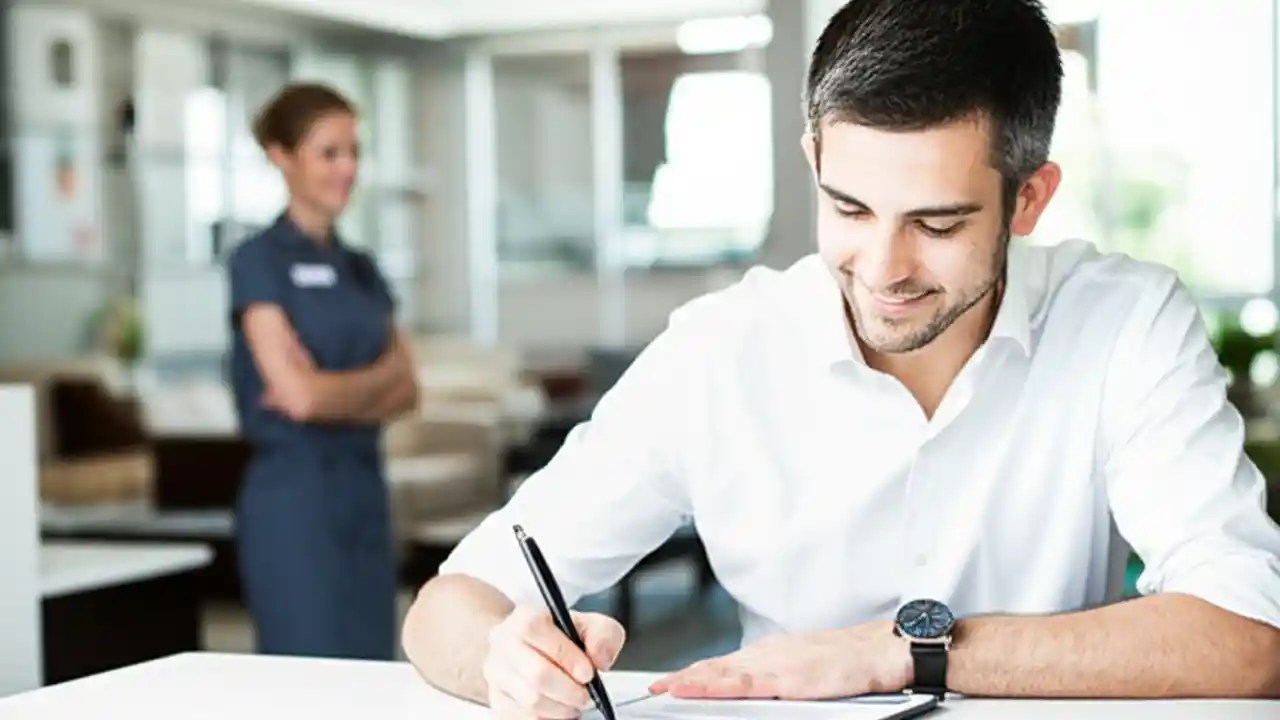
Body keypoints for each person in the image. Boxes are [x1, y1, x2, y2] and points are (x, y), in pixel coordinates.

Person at [403, 0, 1280, 714]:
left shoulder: (1126, 322)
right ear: (814, 159)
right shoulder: (721, 350)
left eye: (937, 224)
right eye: (850, 209)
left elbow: (1248, 638)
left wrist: (898, 654)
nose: (884, 268)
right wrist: (502, 660)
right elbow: (448, 607)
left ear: (1030, 199)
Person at [227, 83, 419, 660]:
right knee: (304, 676)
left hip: (365, 490)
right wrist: (371, 383)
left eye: (354, 152)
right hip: (293, 499)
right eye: (329, 153)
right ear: (281, 157)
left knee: (372, 675)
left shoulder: (362, 267)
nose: (348, 169)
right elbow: (297, 397)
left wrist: (327, 390)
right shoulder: (257, 261)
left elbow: (409, 389)